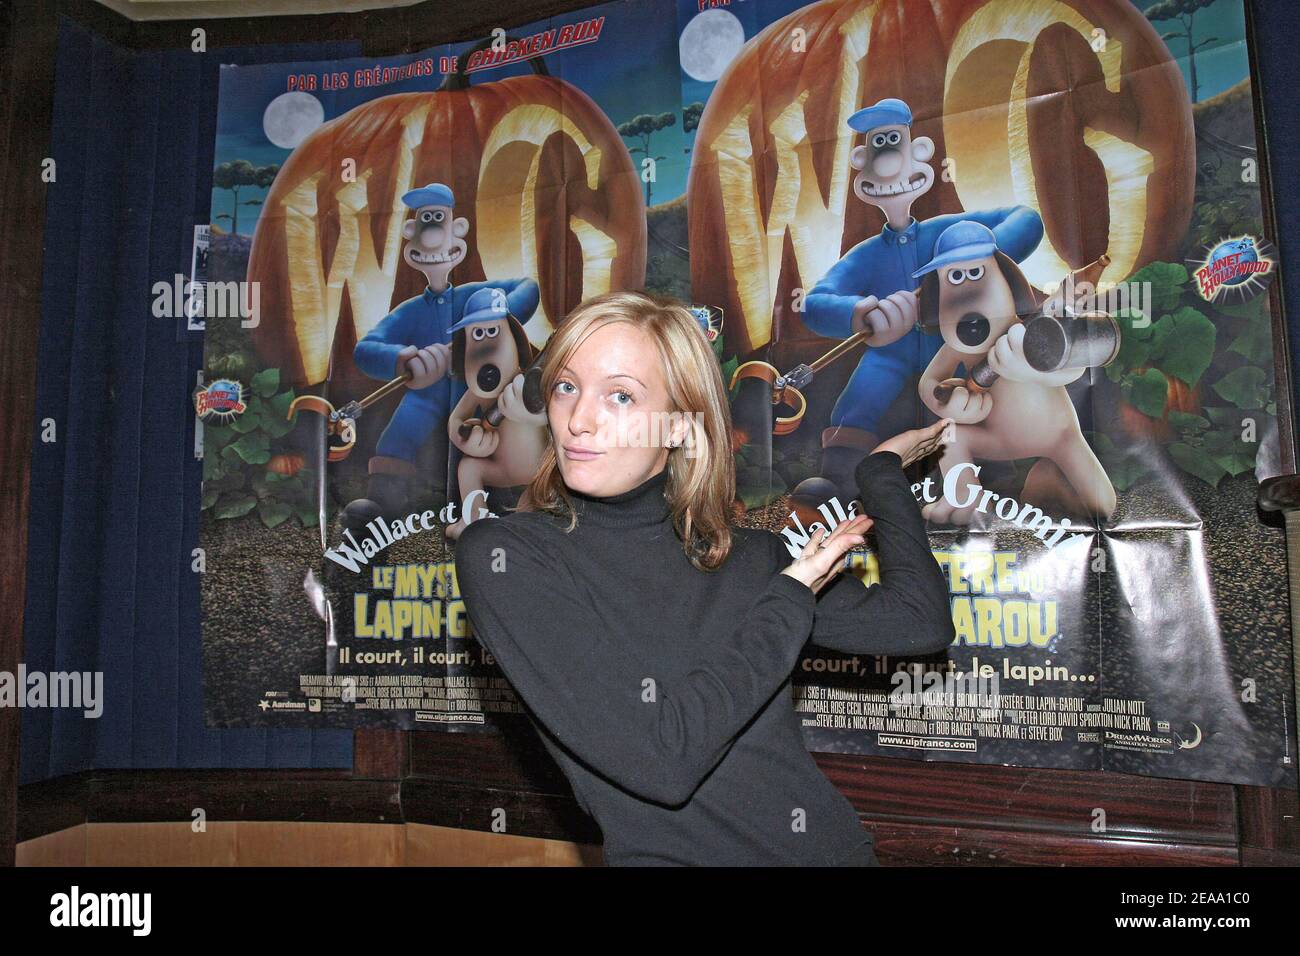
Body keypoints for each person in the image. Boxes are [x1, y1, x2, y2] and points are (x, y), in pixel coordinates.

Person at [453, 290, 955, 866]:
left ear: (679, 427)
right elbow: (662, 762)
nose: (578, 420)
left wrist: (883, 475)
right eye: (567, 386)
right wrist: (790, 599)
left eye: (619, 395)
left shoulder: (746, 555)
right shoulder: (510, 556)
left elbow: (918, 624)